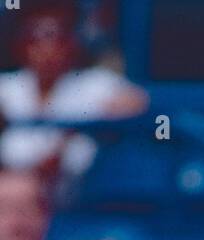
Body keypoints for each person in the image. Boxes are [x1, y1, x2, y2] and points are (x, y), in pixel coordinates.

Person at [0, 2, 148, 181]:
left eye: (56, 39)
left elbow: (138, 102)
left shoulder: (93, 84)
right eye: (36, 40)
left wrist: (82, 126)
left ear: (72, 44)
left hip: (73, 193)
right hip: (13, 186)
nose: (46, 50)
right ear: (22, 46)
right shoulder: (8, 86)